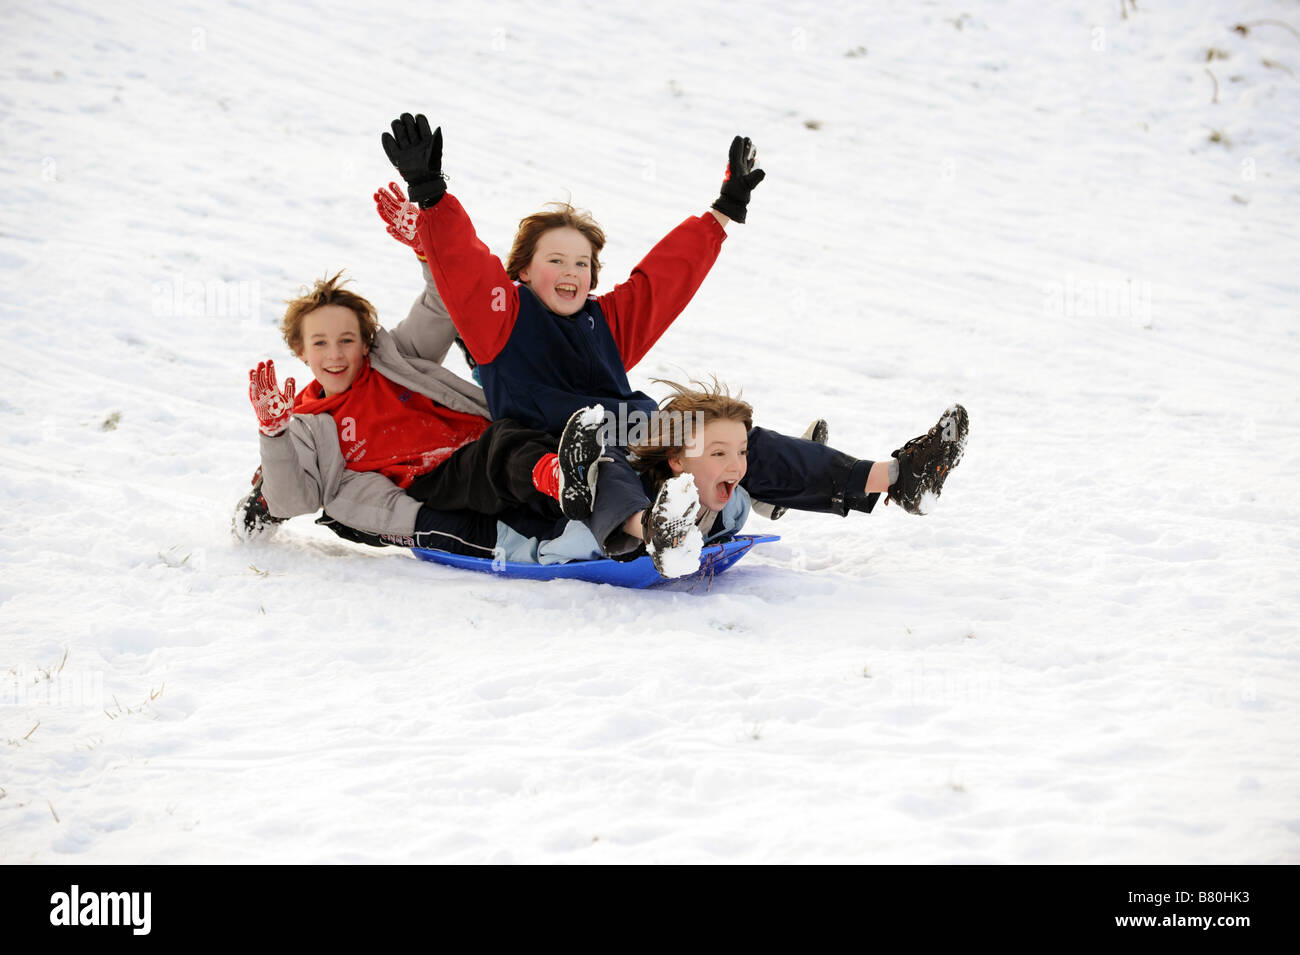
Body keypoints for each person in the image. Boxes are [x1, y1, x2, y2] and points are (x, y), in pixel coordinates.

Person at [379, 113, 968, 576]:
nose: (570, 272)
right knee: (600, 452)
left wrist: (723, 212)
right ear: (524, 271)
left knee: (731, 440)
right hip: (555, 458)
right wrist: (431, 193)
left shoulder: (603, 320)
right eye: (554, 260)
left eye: (581, 263)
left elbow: (664, 279)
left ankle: (896, 476)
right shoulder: (500, 317)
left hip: (636, 436)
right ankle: (659, 534)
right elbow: (466, 266)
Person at [235, 269, 604, 557]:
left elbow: (438, 304)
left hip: (490, 441)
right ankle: (560, 477)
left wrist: (426, 250)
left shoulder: (394, 359)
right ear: (300, 351)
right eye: (320, 343)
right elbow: (291, 499)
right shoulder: (305, 424)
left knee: (537, 441)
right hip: (436, 479)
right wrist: (274, 433)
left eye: (346, 340)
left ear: (366, 343)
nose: (335, 355)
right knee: (503, 449)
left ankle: (621, 515)